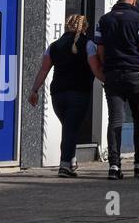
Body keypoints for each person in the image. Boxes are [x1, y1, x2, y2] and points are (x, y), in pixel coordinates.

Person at [91, 0, 139, 179]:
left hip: (112, 75)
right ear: (133, 1)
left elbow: (100, 51)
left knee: (115, 120)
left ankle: (114, 166)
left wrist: (107, 70)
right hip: (135, 75)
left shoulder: (103, 20)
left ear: (119, 0)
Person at [27, 14, 98, 178]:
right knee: (70, 128)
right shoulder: (88, 45)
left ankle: (71, 161)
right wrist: (108, 81)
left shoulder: (54, 46)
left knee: (69, 127)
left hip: (58, 95)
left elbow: (44, 70)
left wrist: (34, 90)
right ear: (85, 27)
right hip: (79, 93)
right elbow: (96, 69)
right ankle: (65, 164)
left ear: (67, 26)